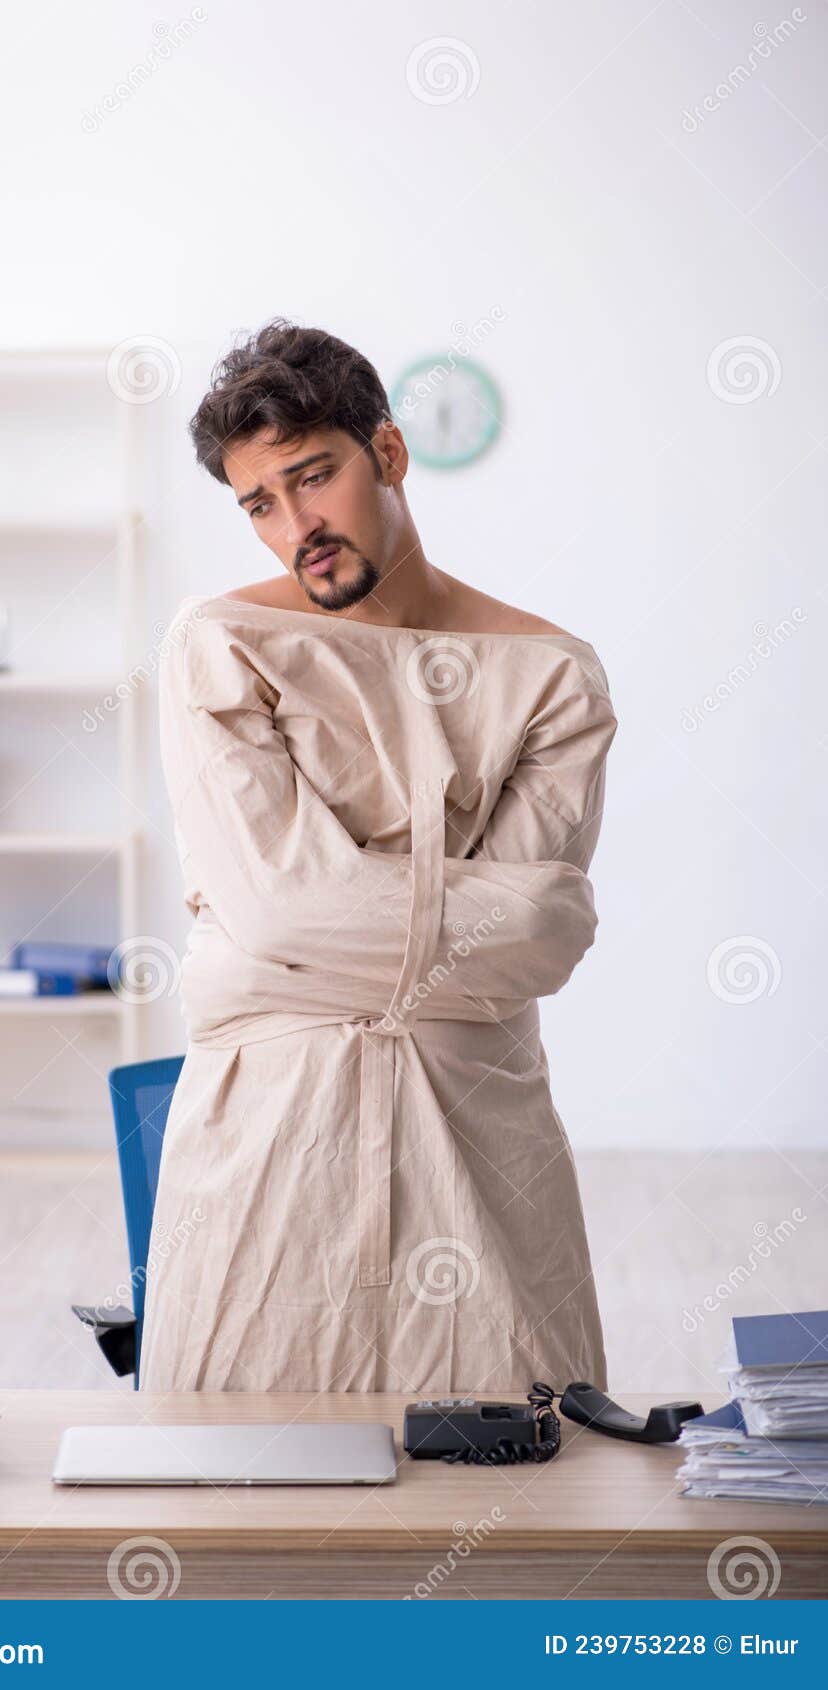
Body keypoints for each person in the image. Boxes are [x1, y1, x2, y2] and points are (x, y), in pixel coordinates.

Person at [137, 318, 618, 1394]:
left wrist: (284, 938)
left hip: (479, 1142)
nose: (294, 524)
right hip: (269, 1145)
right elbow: (285, 914)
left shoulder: (551, 677)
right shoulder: (220, 645)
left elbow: (529, 950)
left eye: (315, 478)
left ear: (388, 455)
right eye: (259, 502)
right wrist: (498, 918)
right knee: (231, 1497)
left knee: (530, 1493)